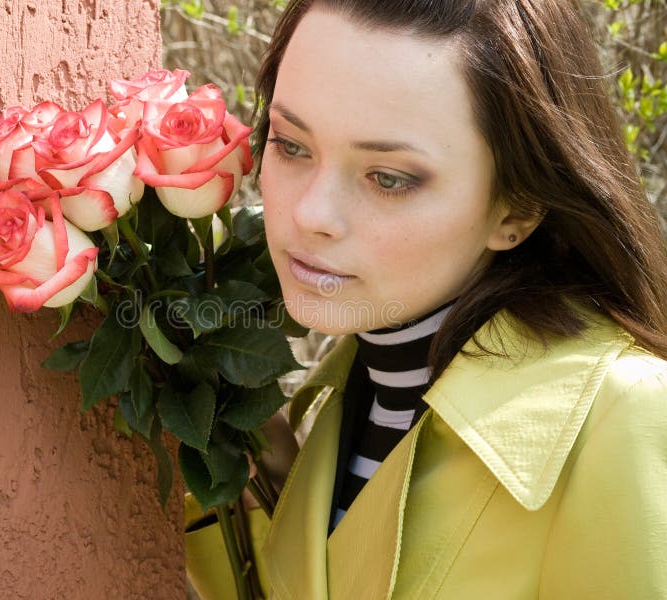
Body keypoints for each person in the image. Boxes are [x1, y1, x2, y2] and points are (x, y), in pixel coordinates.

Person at [185, 0, 667, 598]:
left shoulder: (623, 418)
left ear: (517, 206)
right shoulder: (338, 399)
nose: (309, 214)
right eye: (290, 145)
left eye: (388, 177)